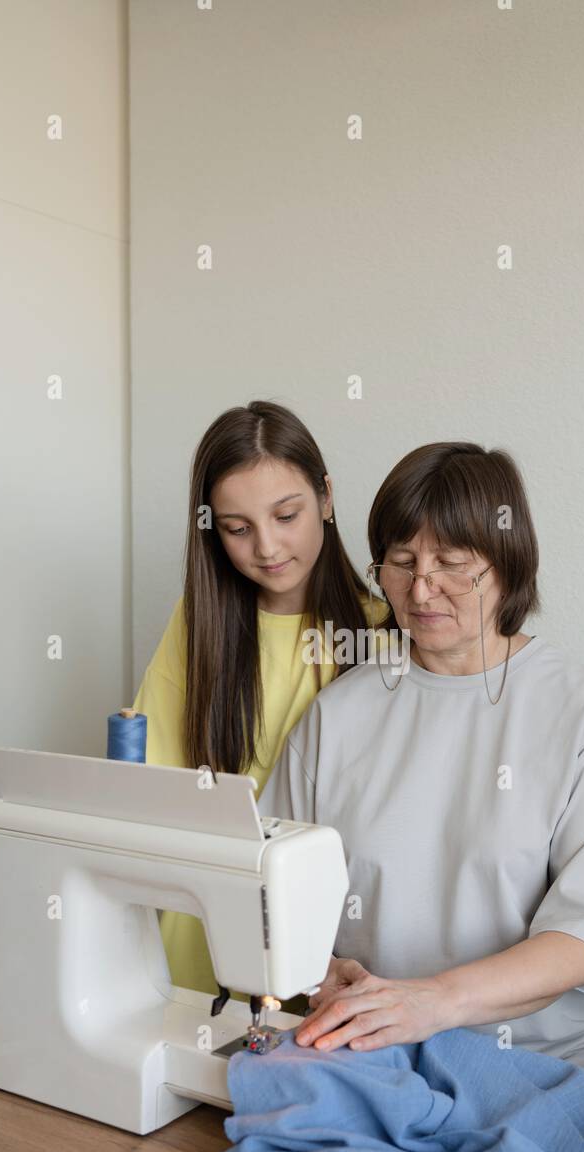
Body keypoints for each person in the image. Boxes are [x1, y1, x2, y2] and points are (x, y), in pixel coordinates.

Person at [258, 440, 584, 1093]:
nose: (420, 589)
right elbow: (267, 892)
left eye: (451, 564)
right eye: (401, 563)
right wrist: (321, 974)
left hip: (556, 1055)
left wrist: (434, 1001)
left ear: (508, 563)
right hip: (376, 1052)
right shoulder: (339, 714)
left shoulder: (582, 712)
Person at [132, 400, 387, 1001]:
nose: (267, 548)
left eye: (286, 515)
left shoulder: (384, 635)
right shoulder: (200, 627)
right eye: (237, 528)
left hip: (329, 950)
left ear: (326, 498)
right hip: (200, 933)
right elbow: (145, 780)